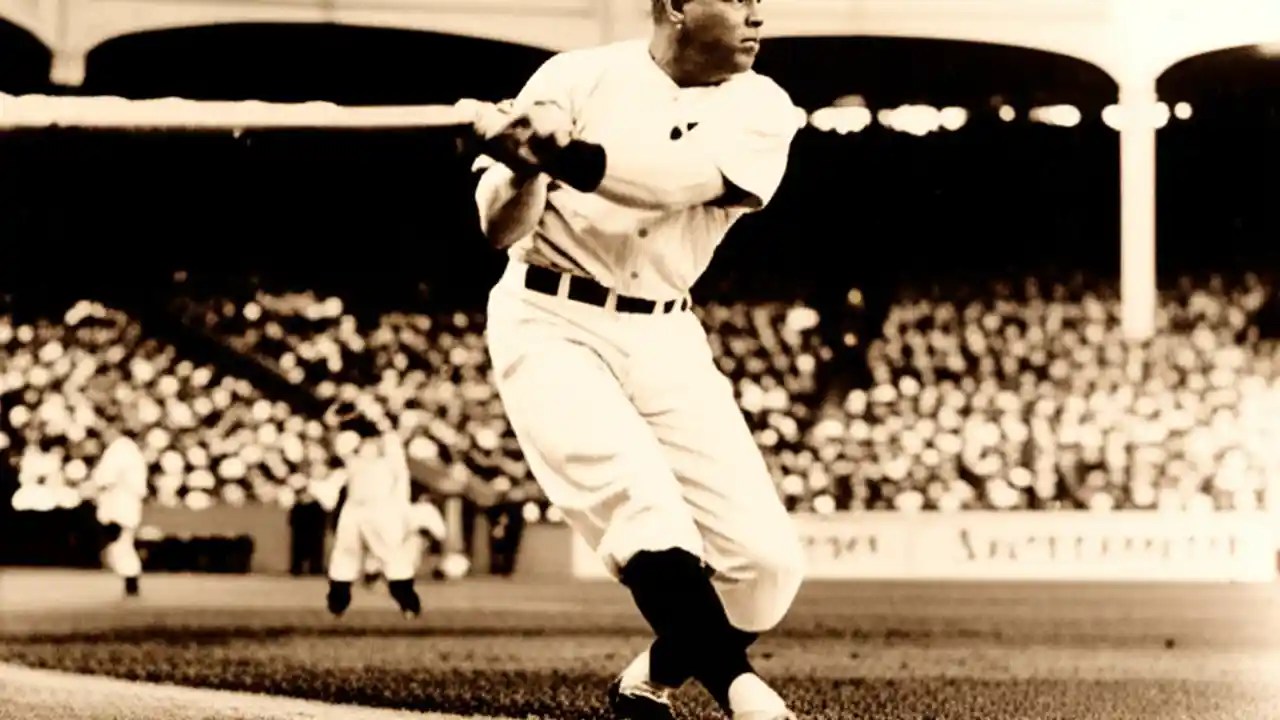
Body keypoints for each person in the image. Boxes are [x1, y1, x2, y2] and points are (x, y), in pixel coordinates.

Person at [461, 1, 805, 718]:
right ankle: (742, 694)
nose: (756, 16)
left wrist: (564, 156)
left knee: (766, 568)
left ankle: (644, 679)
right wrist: (521, 168)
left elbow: (674, 180)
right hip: (550, 318)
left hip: (666, 329)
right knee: (644, 510)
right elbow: (499, 231)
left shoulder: (765, 106)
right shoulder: (573, 76)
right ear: (675, 6)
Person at [324, 403, 423, 619]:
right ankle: (337, 605)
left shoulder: (390, 443)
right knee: (344, 555)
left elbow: (388, 438)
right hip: (355, 506)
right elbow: (334, 432)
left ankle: (409, 604)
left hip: (382, 507)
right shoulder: (352, 441)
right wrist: (340, 418)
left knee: (391, 556)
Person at [80, 427, 148, 598]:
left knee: (119, 544)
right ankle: (131, 581)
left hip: (119, 504)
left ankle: (131, 580)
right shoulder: (132, 451)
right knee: (122, 543)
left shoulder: (119, 450)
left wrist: (90, 489)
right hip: (128, 503)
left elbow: (105, 478)